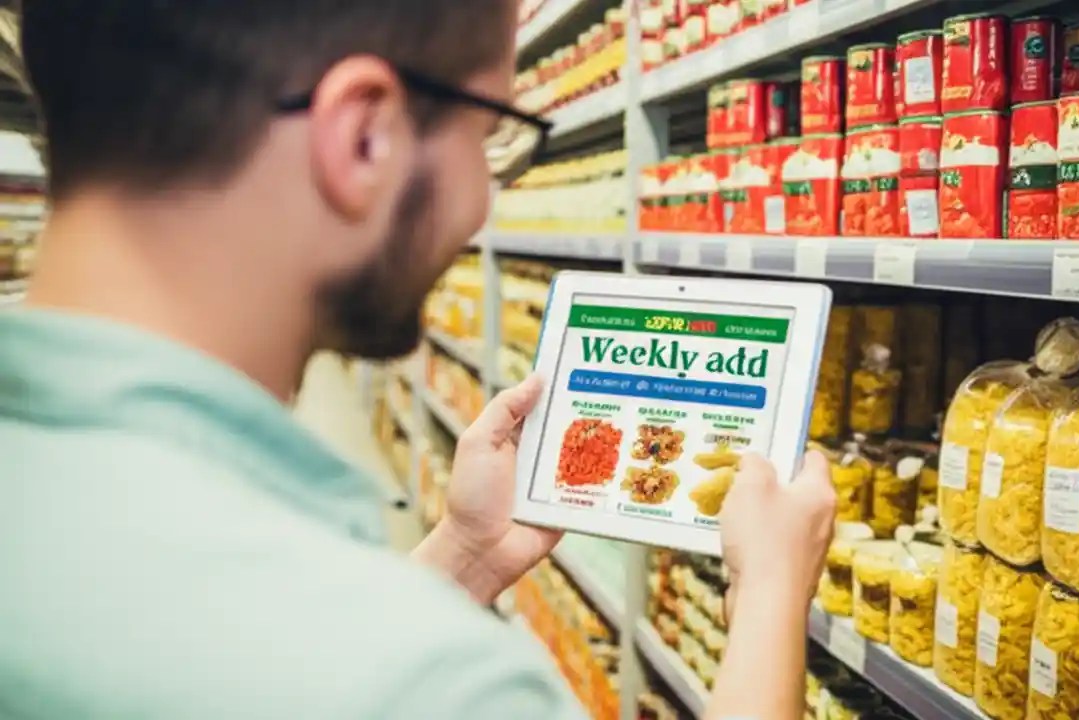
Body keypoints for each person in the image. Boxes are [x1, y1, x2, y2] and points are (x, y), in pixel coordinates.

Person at [0, 2, 836, 718]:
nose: (483, 196)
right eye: (488, 135)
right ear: (364, 137)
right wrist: (768, 598)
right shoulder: (427, 684)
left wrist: (464, 559)